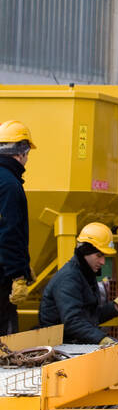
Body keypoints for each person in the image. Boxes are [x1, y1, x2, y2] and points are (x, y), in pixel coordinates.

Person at [38, 223, 118, 345]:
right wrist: (101, 339)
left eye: (104, 256)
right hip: (60, 345)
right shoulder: (69, 278)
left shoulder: (85, 274)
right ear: (85, 252)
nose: (103, 262)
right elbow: (72, 322)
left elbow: (90, 317)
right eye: (99, 255)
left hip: (72, 342)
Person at [0, 120, 36, 335]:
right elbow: (9, 232)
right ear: (20, 152)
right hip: (2, 273)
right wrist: (17, 275)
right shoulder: (10, 186)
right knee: (5, 333)